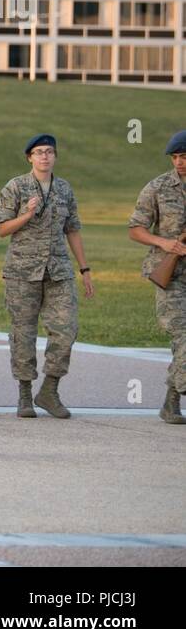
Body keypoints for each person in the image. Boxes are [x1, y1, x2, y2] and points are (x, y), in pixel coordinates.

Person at [0, 134, 93, 419]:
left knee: (66, 329)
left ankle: (49, 390)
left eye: (49, 152)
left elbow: (72, 229)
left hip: (59, 271)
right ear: (30, 158)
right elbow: (2, 229)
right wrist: (26, 214)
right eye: (39, 152)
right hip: (22, 272)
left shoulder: (64, 188)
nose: (45, 157)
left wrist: (84, 268)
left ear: (55, 157)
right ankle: (25, 394)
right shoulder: (16, 187)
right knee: (23, 333)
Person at [128, 130, 186, 425]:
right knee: (184, 336)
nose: (179, 162)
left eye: (184, 157)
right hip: (171, 275)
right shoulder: (158, 188)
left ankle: (171, 401)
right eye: (175, 157)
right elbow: (135, 229)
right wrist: (165, 244)